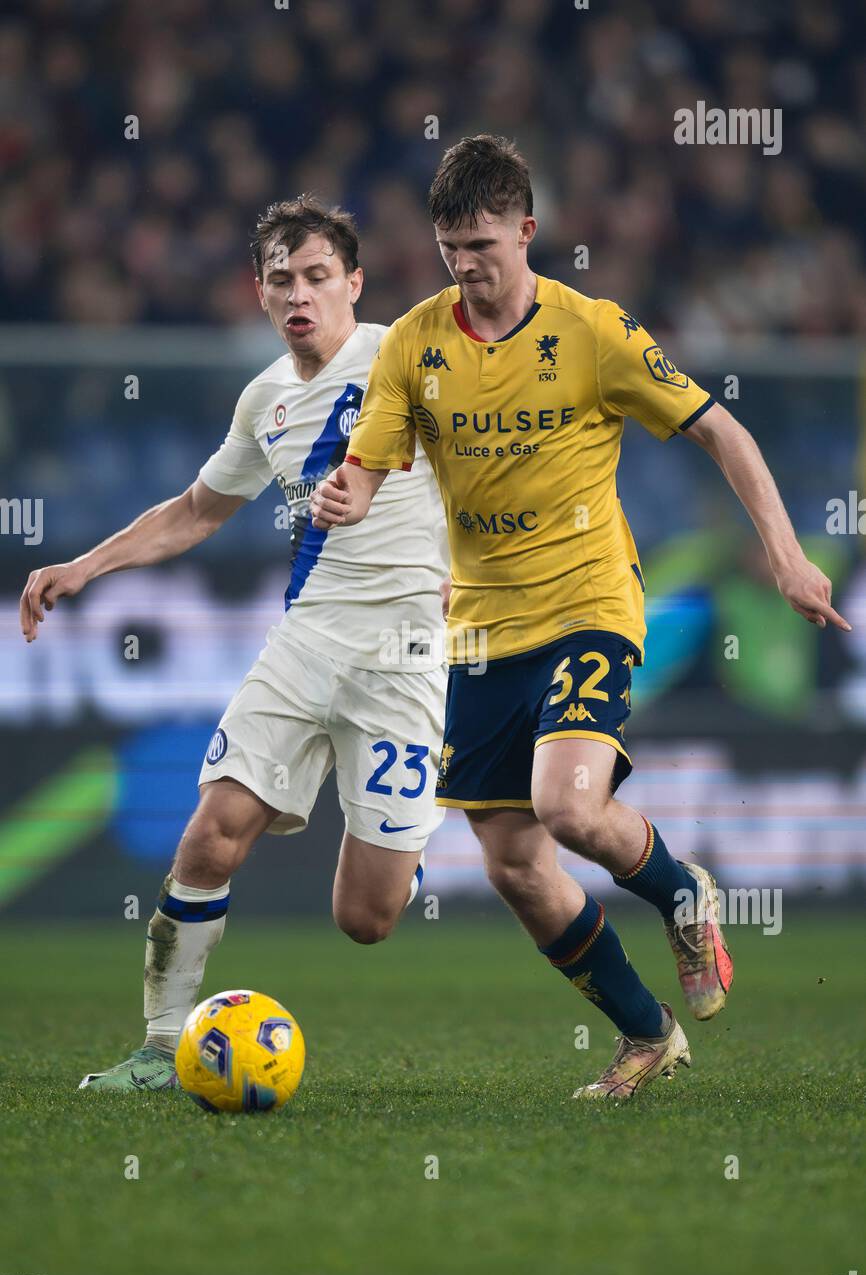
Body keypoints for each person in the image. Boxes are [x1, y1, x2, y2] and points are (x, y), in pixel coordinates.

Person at [311, 136, 850, 1101]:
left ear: (527, 230)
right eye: (449, 249)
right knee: (516, 861)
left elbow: (721, 428)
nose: (467, 266)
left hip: (589, 599)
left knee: (565, 805)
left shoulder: (593, 331)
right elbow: (370, 463)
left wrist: (783, 553)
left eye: (483, 244)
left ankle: (680, 889)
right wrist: (344, 494)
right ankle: (647, 1034)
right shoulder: (412, 343)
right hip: (481, 623)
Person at [20, 196, 449, 1093]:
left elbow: (495, 457)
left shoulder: (412, 353)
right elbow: (195, 512)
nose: (301, 295)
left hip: (407, 652)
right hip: (305, 640)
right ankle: (160, 1046)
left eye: (318, 278)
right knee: (210, 836)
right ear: (259, 292)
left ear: (354, 283)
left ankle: (404, 861)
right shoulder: (266, 400)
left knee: (366, 919)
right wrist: (87, 566)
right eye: (282, 280)